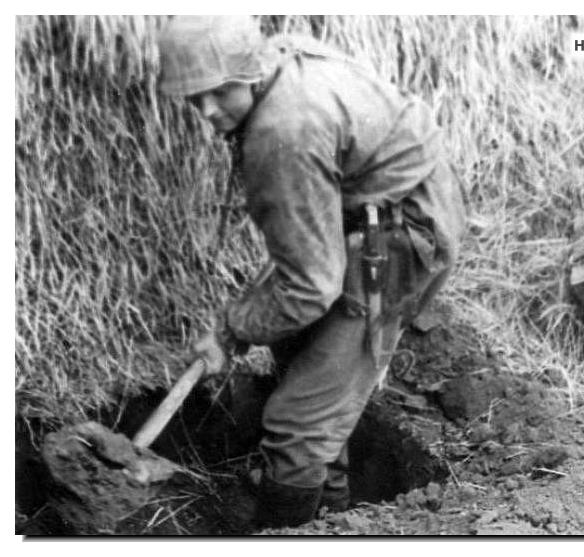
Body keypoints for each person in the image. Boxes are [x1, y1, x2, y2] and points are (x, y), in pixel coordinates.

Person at [156, 15, 465, 528]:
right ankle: (328, 504)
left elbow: (309, 290)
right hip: (367, 209)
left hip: (401, 235)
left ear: (249, 72)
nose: (207, 112)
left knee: (297, 423)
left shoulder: (284, 133)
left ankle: (293, 529)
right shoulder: (278, 59)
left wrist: (231, 328)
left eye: (218, 93)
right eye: (194, 99)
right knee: (301, 358)